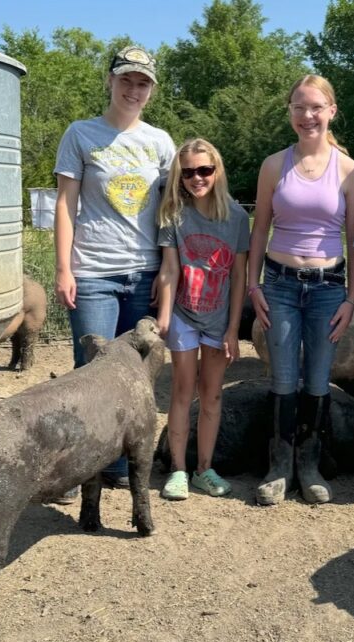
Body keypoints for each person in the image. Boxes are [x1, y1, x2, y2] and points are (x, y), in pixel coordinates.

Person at [52, 45, 176, 499]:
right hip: (94, 273)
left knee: (133, 376)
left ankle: (119, 462)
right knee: (87, 372)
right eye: (126, 79)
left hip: (143, 272)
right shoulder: (81, 134)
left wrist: (166, 271)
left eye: (142, 83)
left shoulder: (161, 143)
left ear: (151, 91)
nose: (133, 89)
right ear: (110, 81)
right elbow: (66, 204)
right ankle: (75, 468)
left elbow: (170, 211)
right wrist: (64, 268)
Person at [247, 74, 354, 506]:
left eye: (316, 107)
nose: (307, 115)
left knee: (317, 377)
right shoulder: (274, 165)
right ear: (290, 112)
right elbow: (259, 228)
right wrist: (252, 285)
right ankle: (278, 465)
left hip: (328, 289)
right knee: (282, 376)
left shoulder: (350, 171)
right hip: (278, 285)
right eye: (299, 107)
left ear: (331, 111)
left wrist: (352, 298)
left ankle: (310, 463)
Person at [155, 139, 249, 500]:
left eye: (204, 170)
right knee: (182, 391)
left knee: (211, 396)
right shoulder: (173, 216)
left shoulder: (237, 218)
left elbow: (239, 276)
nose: (197, 178)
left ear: (217, 171)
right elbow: (169, 269)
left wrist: (232, 329)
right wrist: (164, 317)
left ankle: (204, 469)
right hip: (183, 314)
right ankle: (177, 470)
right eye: (189, 172)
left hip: (219, 319)